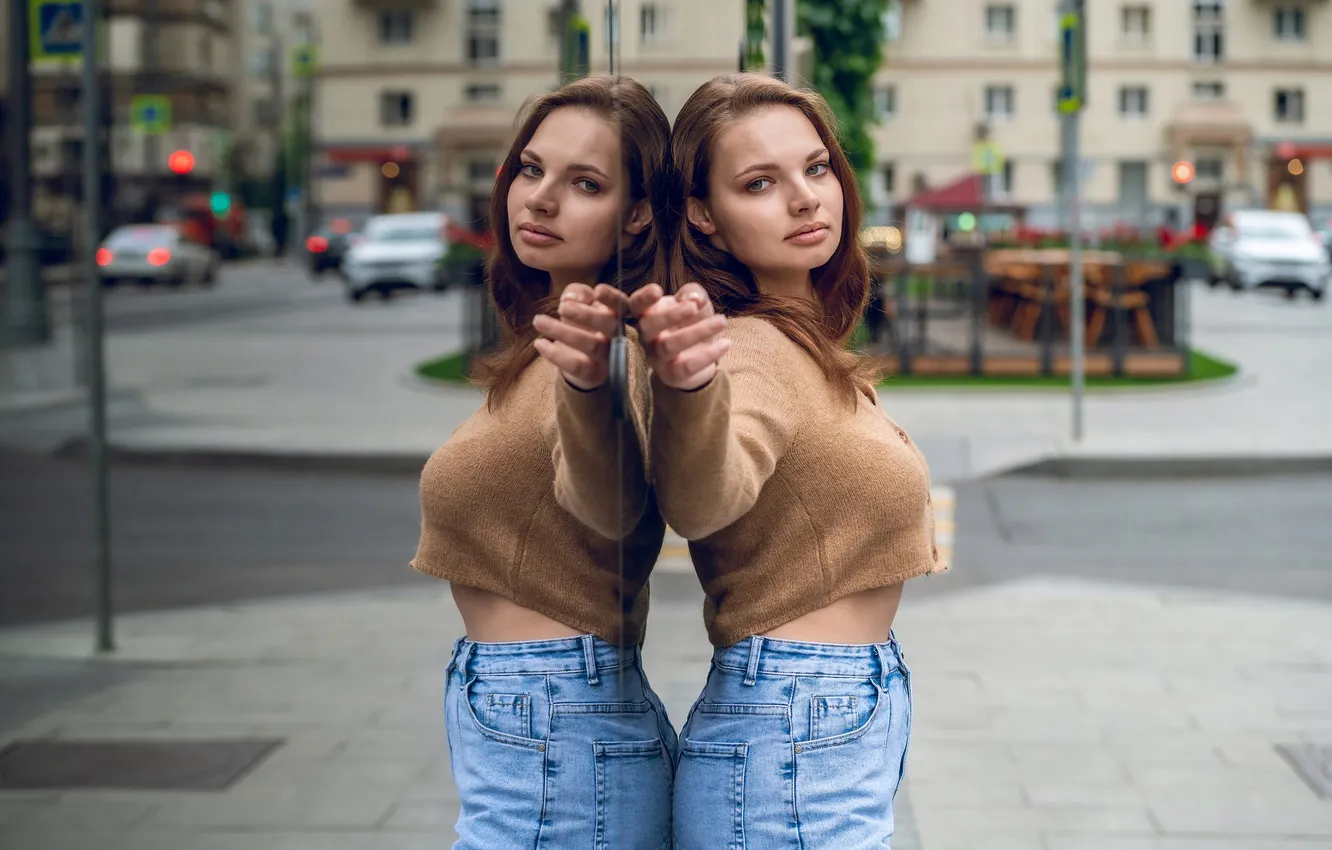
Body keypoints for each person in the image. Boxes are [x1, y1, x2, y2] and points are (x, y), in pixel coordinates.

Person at [578, 72, 945, 847]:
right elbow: (704, 498)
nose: (806, 198)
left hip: (808, 723)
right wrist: (691, 386)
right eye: (759, 183)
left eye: (816, 169)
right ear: (705, 217)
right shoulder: (749, 349)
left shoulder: (800, 340)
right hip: (793, 726)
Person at [410, 75, 676, 849]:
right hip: (535, 710)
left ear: (634, 215)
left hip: (554, 709)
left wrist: (591, 384)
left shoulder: (611, 349)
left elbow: (617, 495)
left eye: (584, 183)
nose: (540, 198)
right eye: (531, 169)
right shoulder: (549, 339)